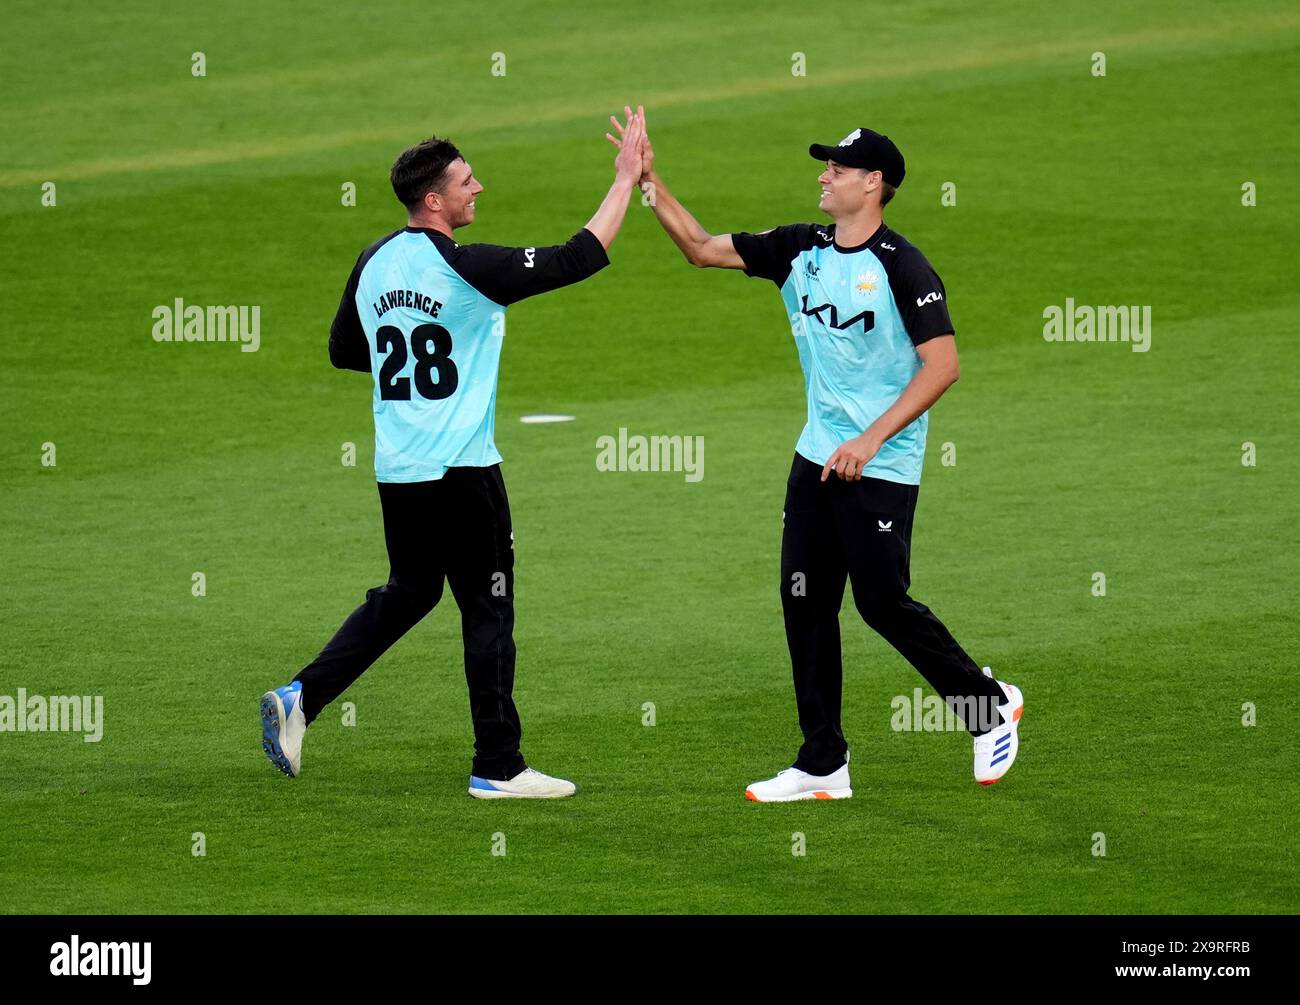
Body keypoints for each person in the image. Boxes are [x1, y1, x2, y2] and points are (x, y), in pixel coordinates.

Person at [612, 110, 1023, 801]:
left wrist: (871, 438)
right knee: (803, 601)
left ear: (875, 183)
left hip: (880, 463)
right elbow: (702, 248)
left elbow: (942, 365)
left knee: (883, 602)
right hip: (817, 458)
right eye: (825, 164)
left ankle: (987, 706)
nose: (824, 174)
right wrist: (648, 183)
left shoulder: (904, 266)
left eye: (838, 167)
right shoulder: (801, 248)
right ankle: (822, 761)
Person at [261, 110, 646, 799]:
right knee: (489, 606)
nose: (480, 189)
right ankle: (499, 766)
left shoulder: (374, 260)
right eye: (467, 182)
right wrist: (625, 180)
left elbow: (345, 349)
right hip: (464, 471)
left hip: (401, 468)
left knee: (410, 592)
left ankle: (302, 696)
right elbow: (575, 257)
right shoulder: (468, 269)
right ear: (433, 199)